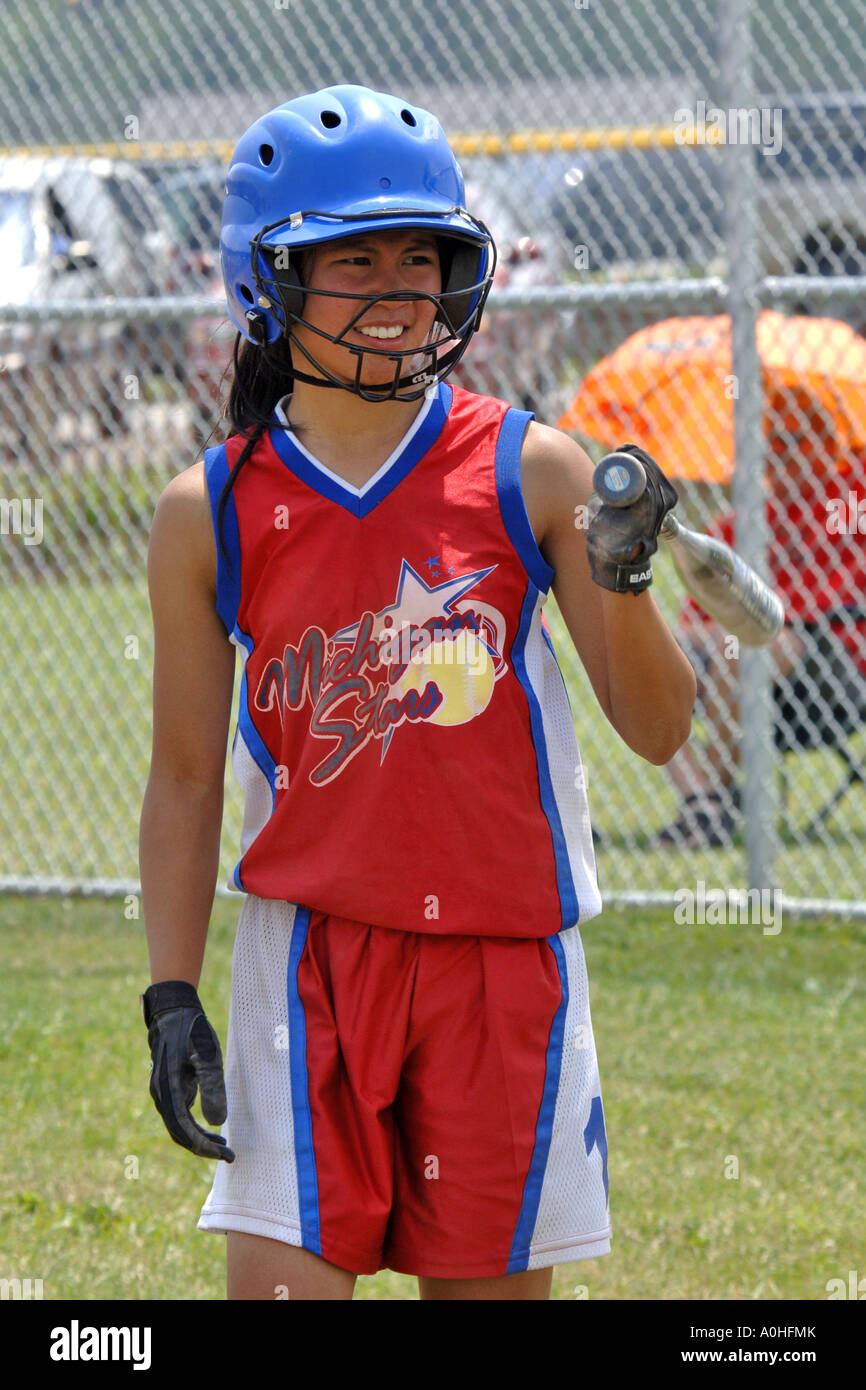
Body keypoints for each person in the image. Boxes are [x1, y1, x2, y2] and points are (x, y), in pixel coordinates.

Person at [138, 84, 696, 1302]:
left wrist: (624, 569)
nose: (398, 287)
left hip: (501, 966)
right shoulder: (211, 509)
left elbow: (659, 731)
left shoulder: (527, 467)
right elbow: (183, 775)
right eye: (355, 258)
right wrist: (171, 990)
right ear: (266, 279)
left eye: (421, 254)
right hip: (307, 964)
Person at [655, 385, 866, 847]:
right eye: (769, 441)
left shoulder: (855, 498)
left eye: (795, 440)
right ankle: (703, 804)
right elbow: (694, 622)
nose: (778, 453)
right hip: (739, 670)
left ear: (830, 444)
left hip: (840, 674)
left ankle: (714, 801)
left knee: (752, 646)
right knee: (652, 655)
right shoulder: (740, 522)